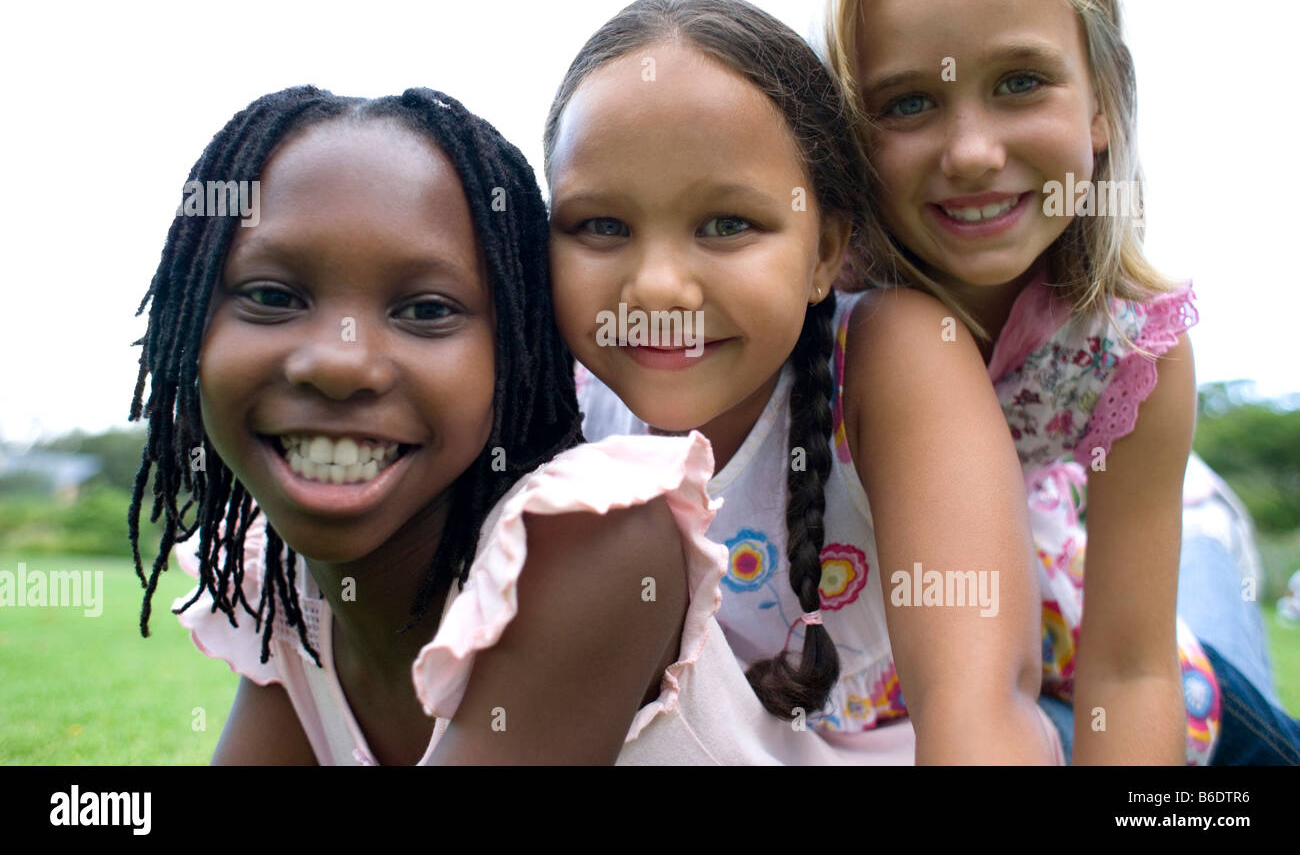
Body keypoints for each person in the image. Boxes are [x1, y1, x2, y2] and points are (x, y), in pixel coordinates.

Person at [127, 84, 876, 765]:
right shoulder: (290, 589)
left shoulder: (600, 537)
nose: (338, 363)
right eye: (272, 295)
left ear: (518, 350)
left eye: (426, 310)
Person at [825, 0, 1299, 764]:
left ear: (1103, 104)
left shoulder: (1128, 352)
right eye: (907, 102)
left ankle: (1207, 519)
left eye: (1019, 82)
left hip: (1068, 633)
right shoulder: (811, 305)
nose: (970, 151)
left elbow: (1131, 667)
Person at [544, 0, 1062, 763]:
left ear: (825, 251)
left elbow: (980, 711)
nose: (654, 286)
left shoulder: (893, 356)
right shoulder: (567, 407)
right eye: (600, 226)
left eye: (726, 225)